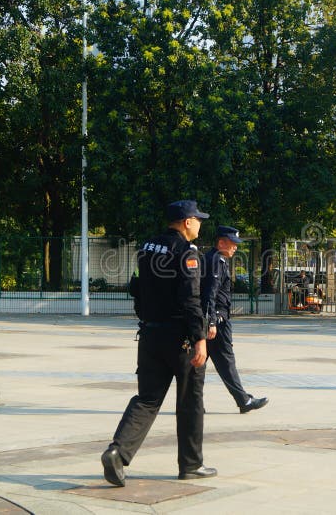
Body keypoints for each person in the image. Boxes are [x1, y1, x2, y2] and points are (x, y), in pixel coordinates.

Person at [101, 200, 216, 487]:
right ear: (187, 221)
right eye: (198, 219)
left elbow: (137, 288)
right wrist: (199, 338)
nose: (201, 224)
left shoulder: (147, 247)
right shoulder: (187, 252)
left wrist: (149, 320)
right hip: (180, 340)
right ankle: (191, 465)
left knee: (147, 400)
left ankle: (117, 452)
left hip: (150, 335)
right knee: (190, 402)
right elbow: (191, 298)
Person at [201, 226, 269, 414]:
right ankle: (243, 401)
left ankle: (192, 404)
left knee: (198, 365)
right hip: (218, 322)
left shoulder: (213, 259)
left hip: (213, 319)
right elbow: (210, 292)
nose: (236, 248)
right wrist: (212, 321)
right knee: (225, 362)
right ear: (221, 242)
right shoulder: (216, 261)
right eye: (232, 244)